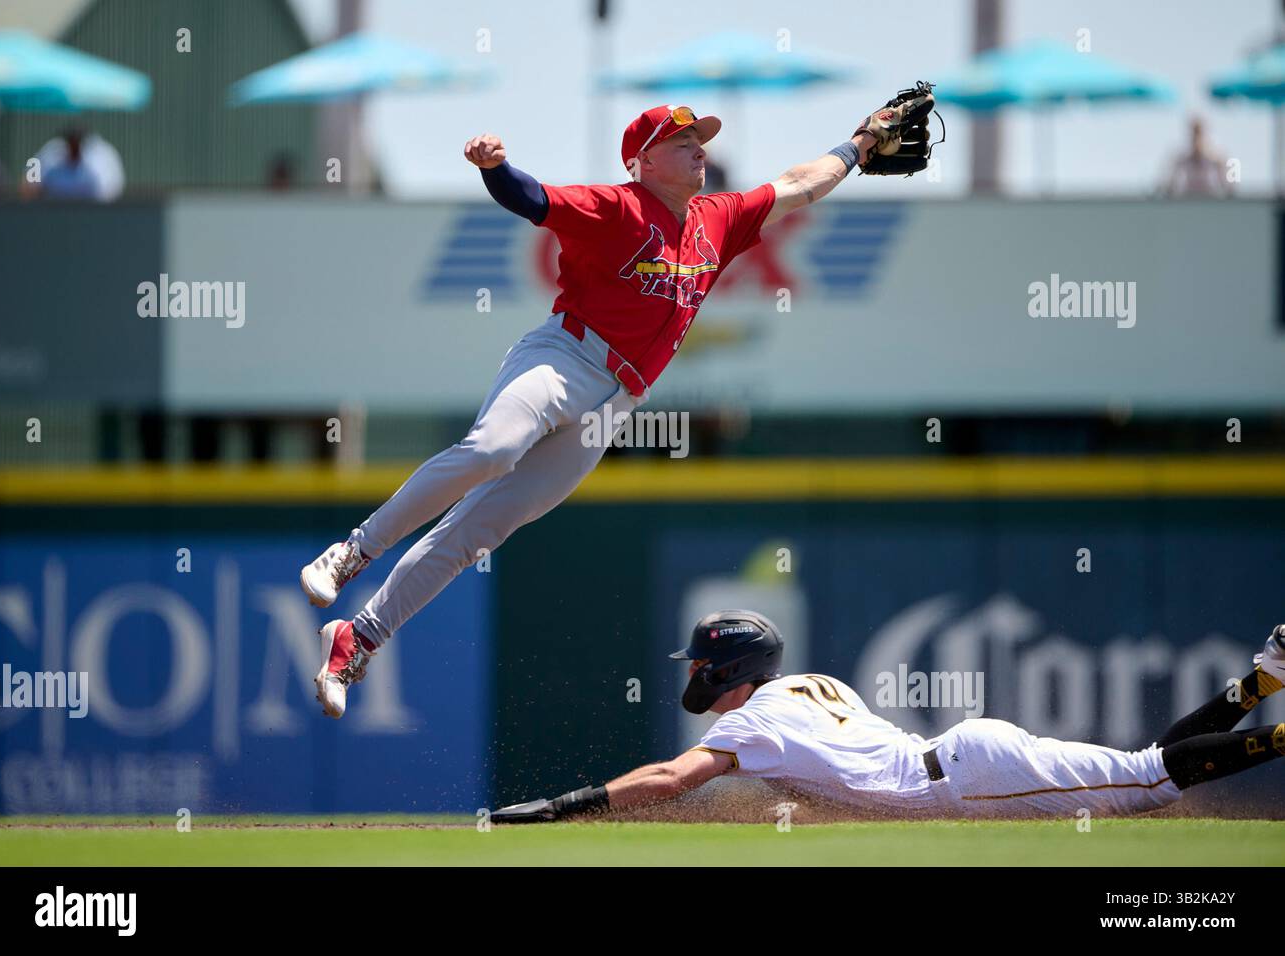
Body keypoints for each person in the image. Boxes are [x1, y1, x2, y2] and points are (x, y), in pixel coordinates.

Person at [299, 91, 937, 720]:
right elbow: (532, 199)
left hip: (619, 401)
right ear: (644, 160)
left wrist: (857, 144)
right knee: (491, 450)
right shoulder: (616, 206)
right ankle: (353, 551)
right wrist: (494, 167)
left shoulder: (719, 217)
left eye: (700, 143)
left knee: (477, 532)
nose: (699, 152)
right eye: (683, 143)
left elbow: (801, 183)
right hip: (564, 358)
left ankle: (359, 638)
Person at [490, 613, 1285, 822]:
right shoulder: (810, 685)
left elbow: (671, 779)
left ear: (728, 669)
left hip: (966, 778)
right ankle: (1263, 679)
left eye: (700, 663)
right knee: (1147, 770)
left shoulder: (746, 724)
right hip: (968, 758)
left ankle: (1270, 701)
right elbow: (836, 777)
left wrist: (572, 806)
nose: (693, 674)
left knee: (1149, 777)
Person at [1163, 117, 1233, 198]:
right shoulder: (1182, 158)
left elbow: (1228, 189)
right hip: (1189, 199)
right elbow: (1169, 188)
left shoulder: (1215, 157)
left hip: (1209, 198)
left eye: (1199, 133)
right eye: (1194, 133)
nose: (1196, 137)